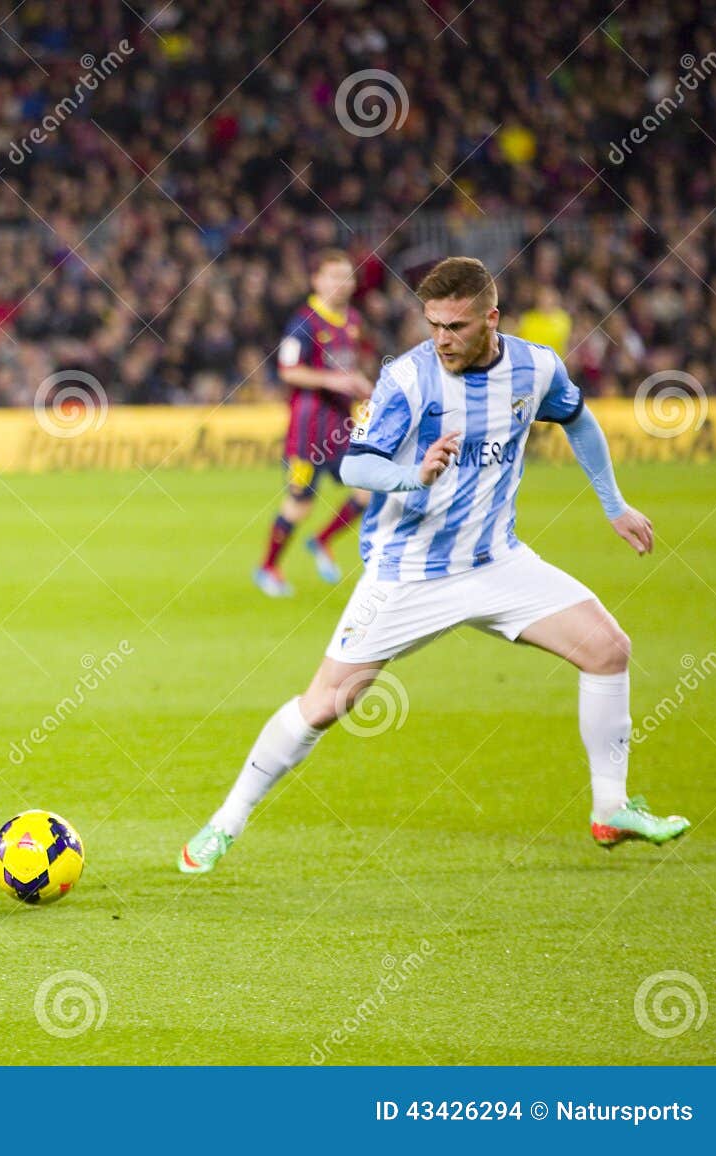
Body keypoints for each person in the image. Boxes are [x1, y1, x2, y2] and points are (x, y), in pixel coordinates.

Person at [184, 257, 688, 874]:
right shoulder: (408, 379)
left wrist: (613, 505)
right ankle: (224, 822)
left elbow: (578, 419)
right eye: (433, 324)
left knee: (609, 648)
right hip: (409, 572)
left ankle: (611, 809)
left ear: (491, 318)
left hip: (498, 563)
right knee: (324, 704)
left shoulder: (535, 368)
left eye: (456, 325)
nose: (442, 338)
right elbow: (354, 466)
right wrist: (412, 475)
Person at [254, 250, 375, 596]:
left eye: (346, 275)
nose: (342, 283)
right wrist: (332, 381)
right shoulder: (303, 322)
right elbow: (288, 369)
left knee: (368, 489)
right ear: (317, 281)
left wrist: (361, 382)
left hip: (342, 427)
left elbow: (349, 366)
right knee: (299, 503)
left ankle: (321, 541)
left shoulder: (351, 319)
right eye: (333, 276)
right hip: (307, 432)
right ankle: (269, 567)